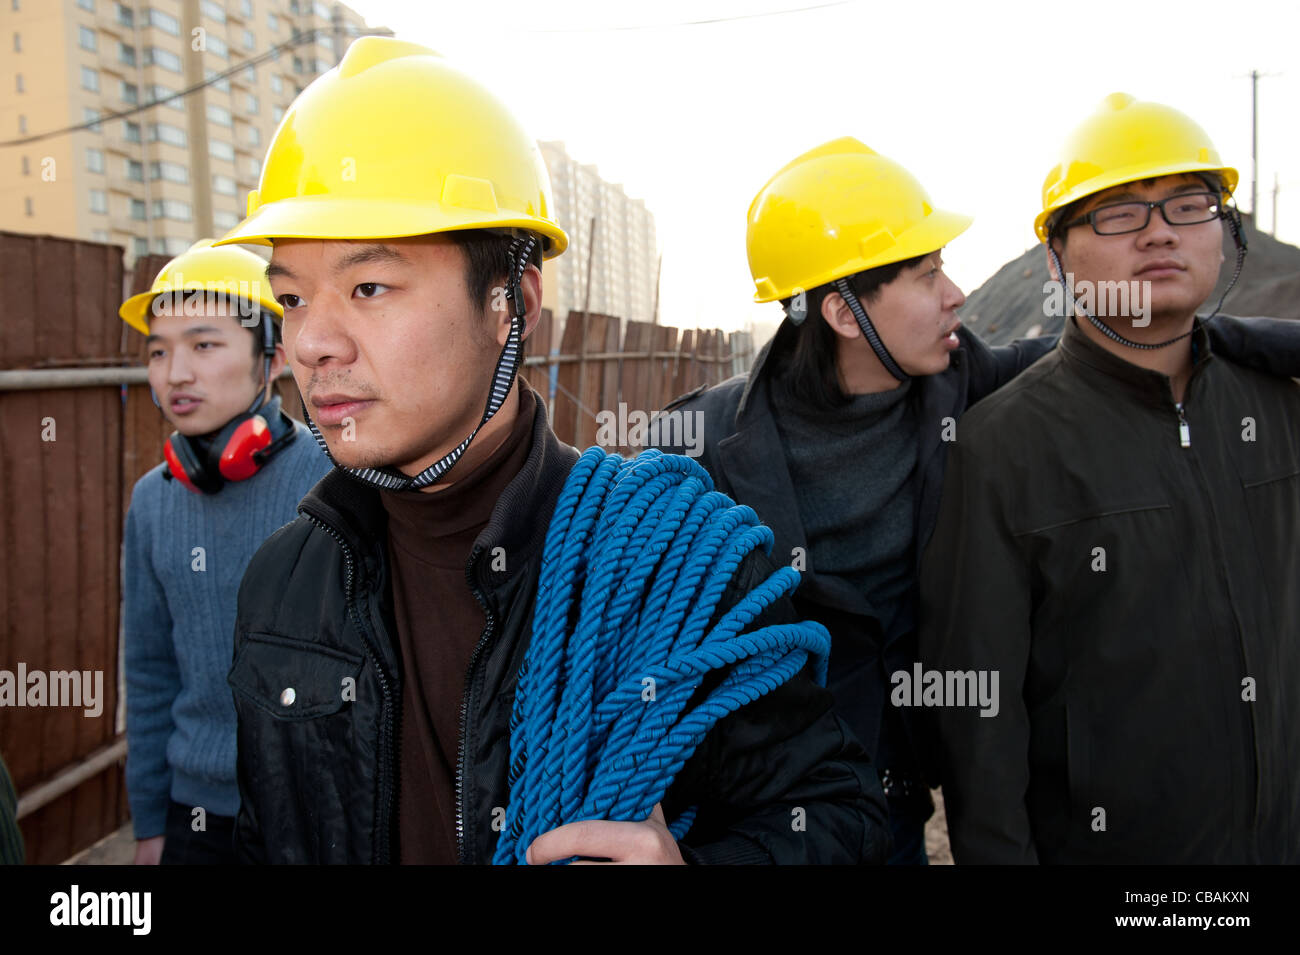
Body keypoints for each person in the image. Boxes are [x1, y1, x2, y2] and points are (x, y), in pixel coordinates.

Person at [216, 36, 886, 865]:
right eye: (290, 296)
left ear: (514, 305)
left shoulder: (672, 569)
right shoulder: (282, 585)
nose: (312, 342)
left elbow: (840, 815)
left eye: (368, 287)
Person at [656, 136, 1300, 864]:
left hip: (889, 805)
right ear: (843, 312)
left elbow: (1144, 346)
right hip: (749, 812)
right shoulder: (698, 449)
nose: (956, 294)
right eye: (928, 274)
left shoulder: (975, 394)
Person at [919, 93, 1300, 863]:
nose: (1160, 230)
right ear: (1056, 256)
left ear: (1224, 236)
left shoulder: (1281, 411)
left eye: (1188, 205)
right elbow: (981, 736)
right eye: (1119, 213)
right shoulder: (1001, 448)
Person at [120, 240, 330, 864]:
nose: (175, 373)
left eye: (204, 345)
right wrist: (151, 826)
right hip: (194, 819)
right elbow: (149, 671)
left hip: (314, 809)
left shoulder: (332, 481)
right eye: (160, 351)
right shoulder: (151, 502)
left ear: (272, 357)